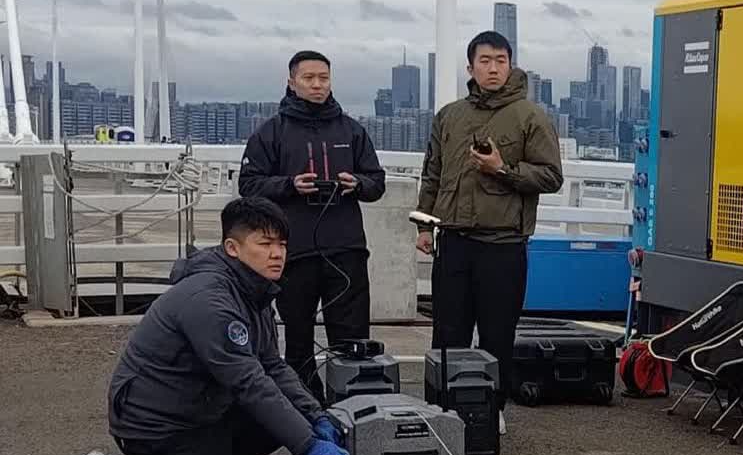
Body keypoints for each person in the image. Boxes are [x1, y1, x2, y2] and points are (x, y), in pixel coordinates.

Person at [57, 197, 353, 455]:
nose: (277, 254)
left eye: (282, 244)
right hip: (153, 425)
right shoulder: (210, 300)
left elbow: (272, 366)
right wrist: (308, 445)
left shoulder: (253, 291)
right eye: (265, 244)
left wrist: (315, 417)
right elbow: (248, 383)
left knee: (283, 418)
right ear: (232, 248)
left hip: (198, 411)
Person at [416, 31, 563, 432]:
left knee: (497, 332)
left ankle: (490, 408)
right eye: (485, 61)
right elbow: (433, 174)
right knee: (447, 331)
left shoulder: (530, 116)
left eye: (500, 60)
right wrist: (425, 224)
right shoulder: (449, 116)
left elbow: (551, 176)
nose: (493, 68)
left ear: (511, 65)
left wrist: (502, 169)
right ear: (471, 67)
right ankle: (443, 405)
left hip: (503, 243)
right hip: (453, 240)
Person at [238, 50, 386, 402]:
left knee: (352, 338)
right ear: (292, 82)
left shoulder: (351, 130)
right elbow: (248, 184)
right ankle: (305, 407)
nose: (317, 84)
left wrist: (357, 184)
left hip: (346, 249)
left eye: (324, 78)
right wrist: (289, 185)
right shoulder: (272, 132)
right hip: (294, 250)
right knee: (298, 337)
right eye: (309, 78)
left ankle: (352, 406)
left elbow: (377, 183)